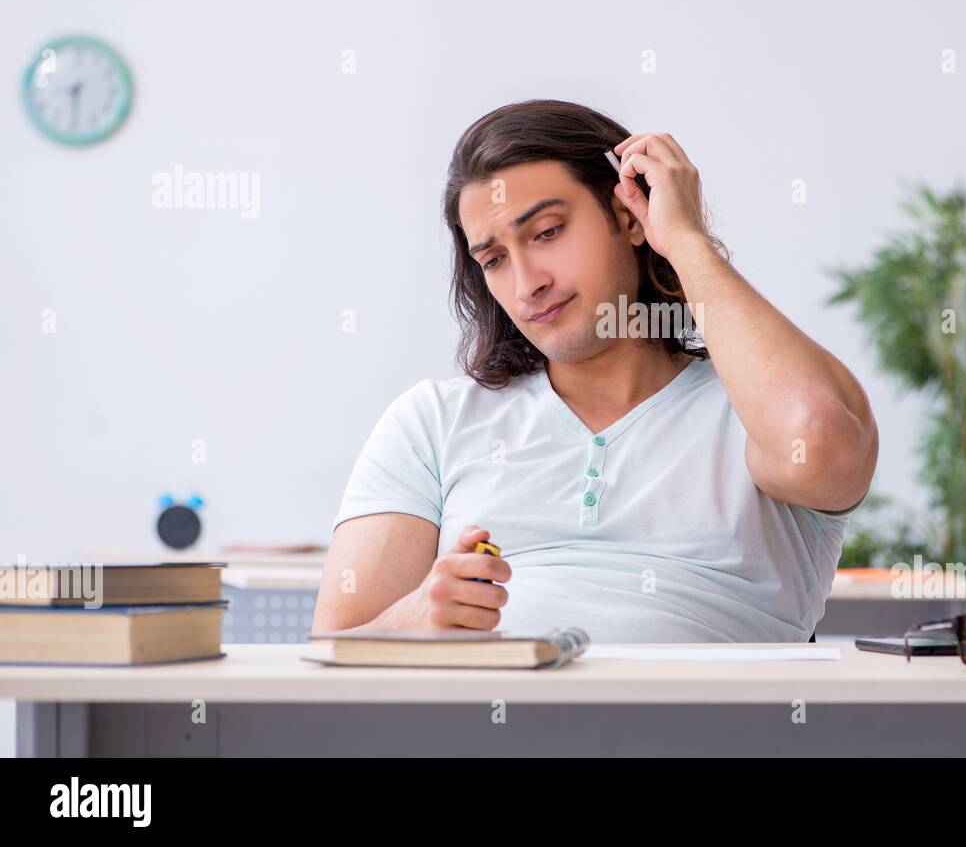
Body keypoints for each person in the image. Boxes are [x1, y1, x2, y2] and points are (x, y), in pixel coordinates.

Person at [312, 99, 879, 642]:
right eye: (494, 259)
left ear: (631, 217)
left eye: (548, 232)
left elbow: (821, 440)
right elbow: (332, 651)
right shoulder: (433, 422)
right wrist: (412, 621)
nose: (527, 282)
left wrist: (684, 240)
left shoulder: (750, 417)